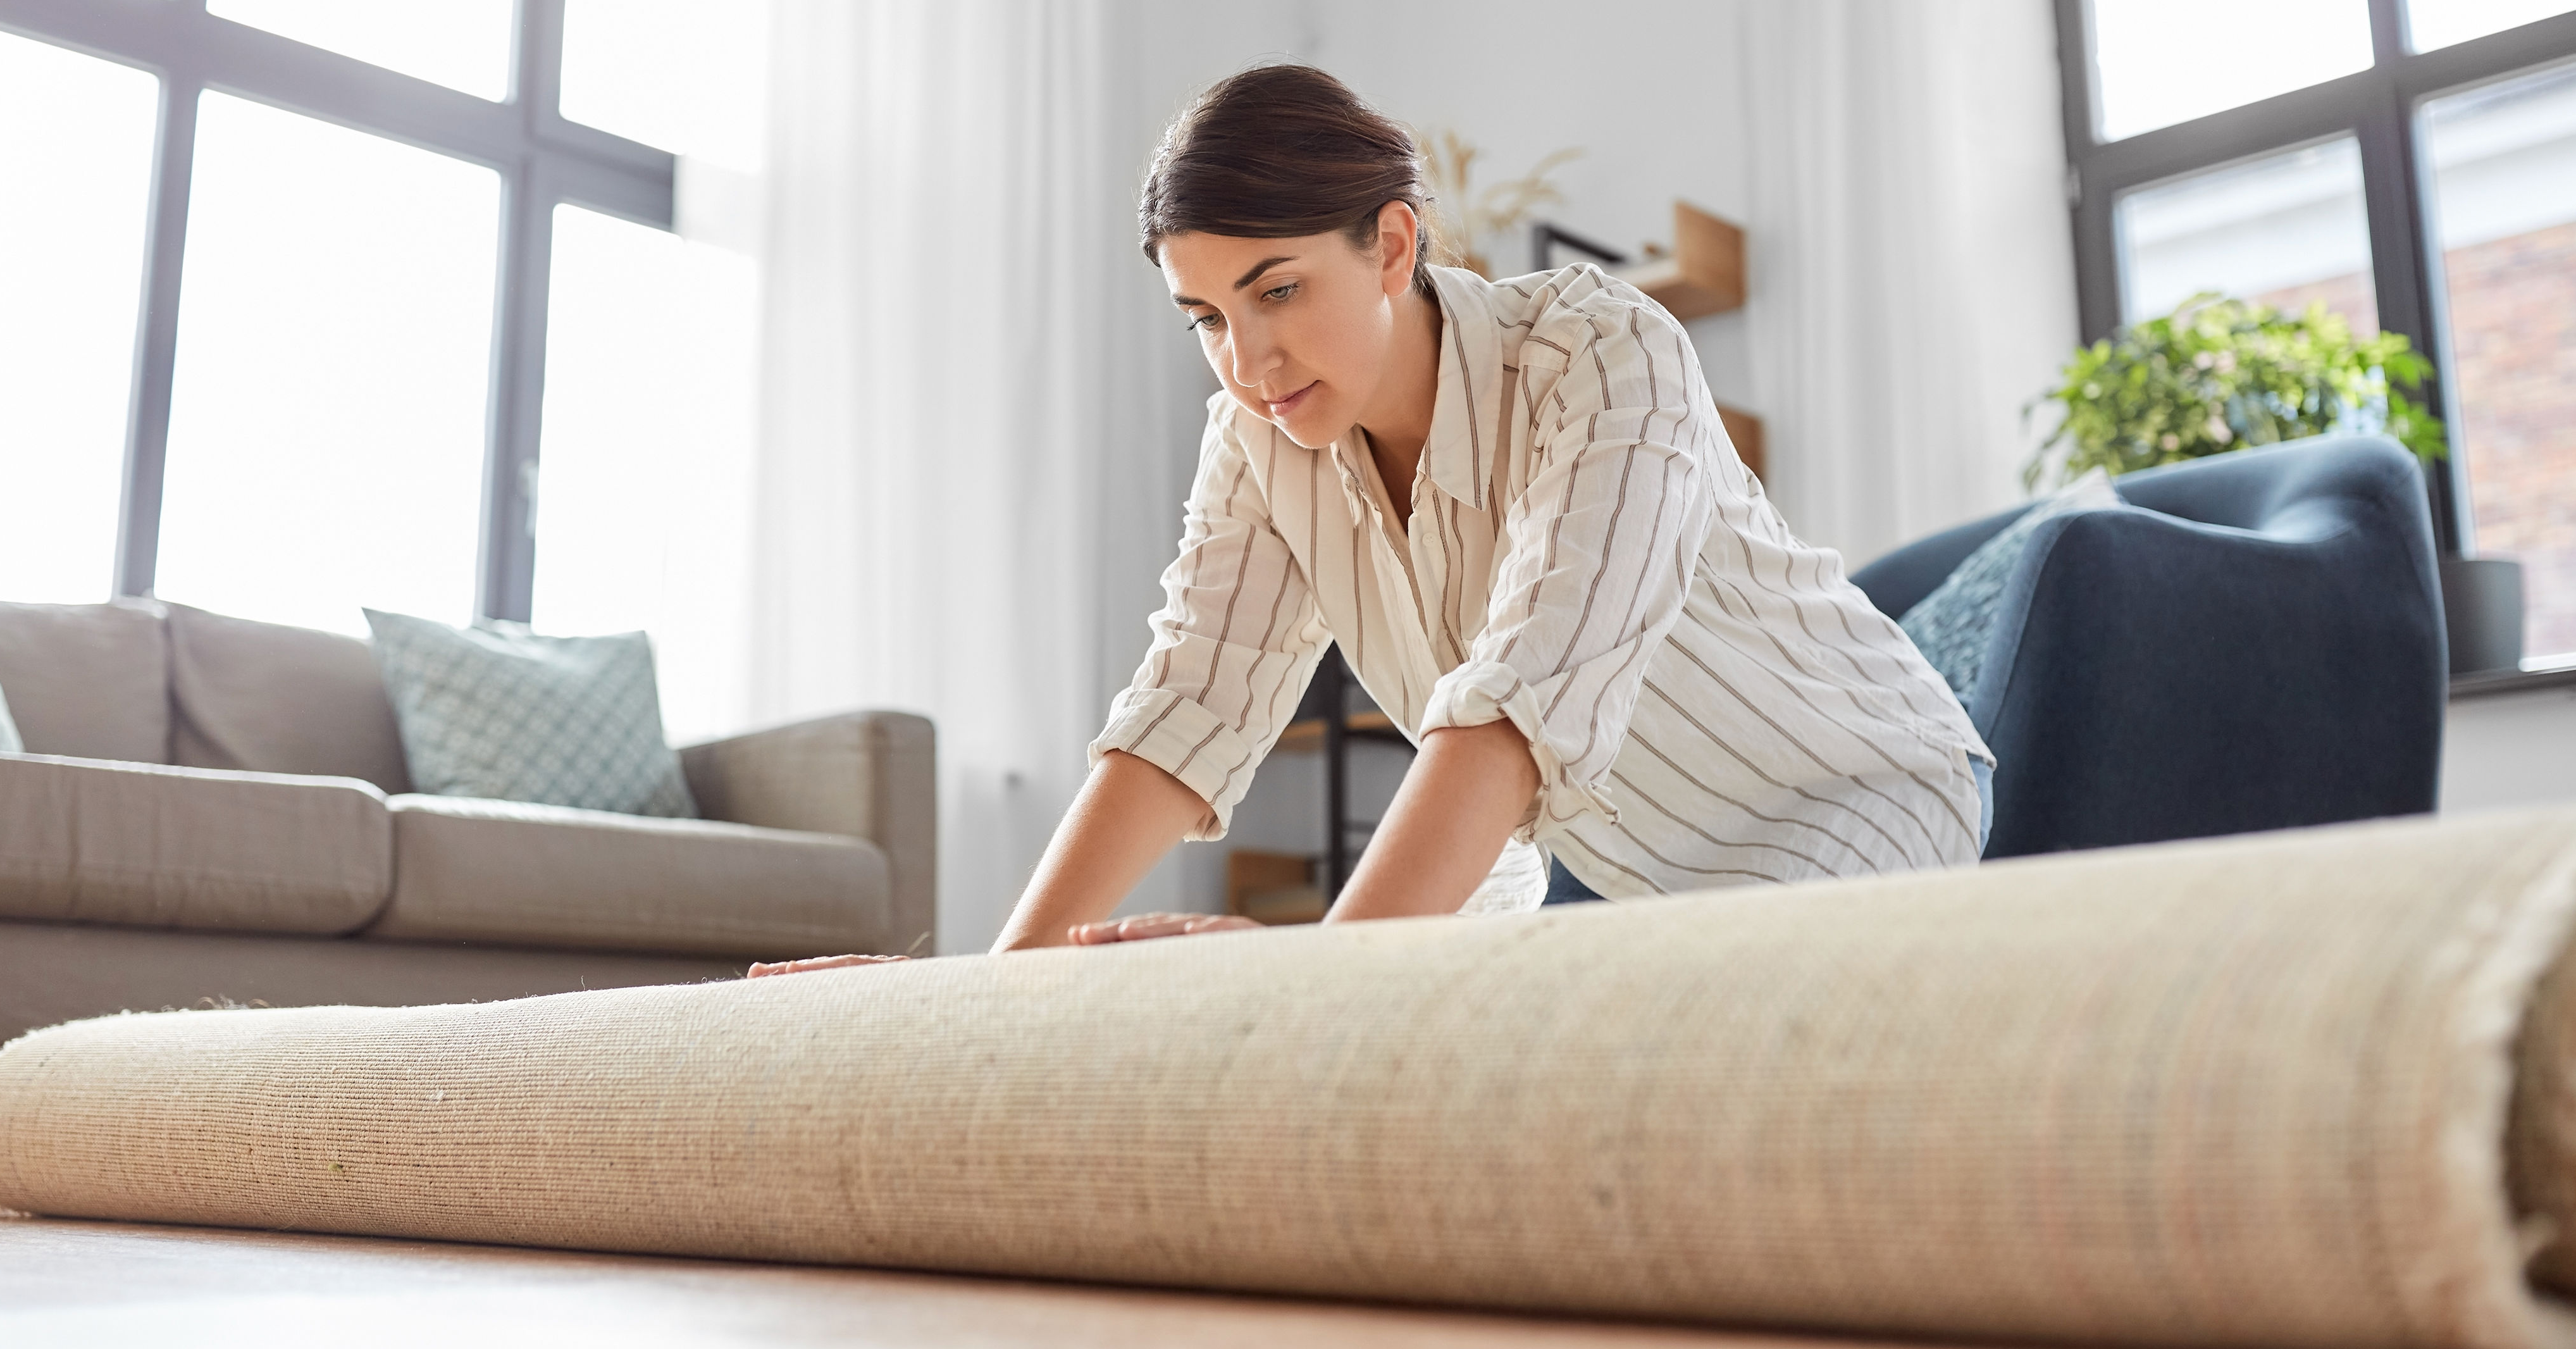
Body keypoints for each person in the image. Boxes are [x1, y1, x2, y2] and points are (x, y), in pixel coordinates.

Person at [754, 63, 1990, 977]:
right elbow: (1188, 712)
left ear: (1392, 245)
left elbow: (1524, 698)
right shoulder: (1258, 438)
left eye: (1277, 289)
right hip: (1604, 871)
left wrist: (1320, 998)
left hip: (1841, 799)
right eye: (1205, 316)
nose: (1247, 358)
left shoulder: (1602, 352)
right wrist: (989, 991)